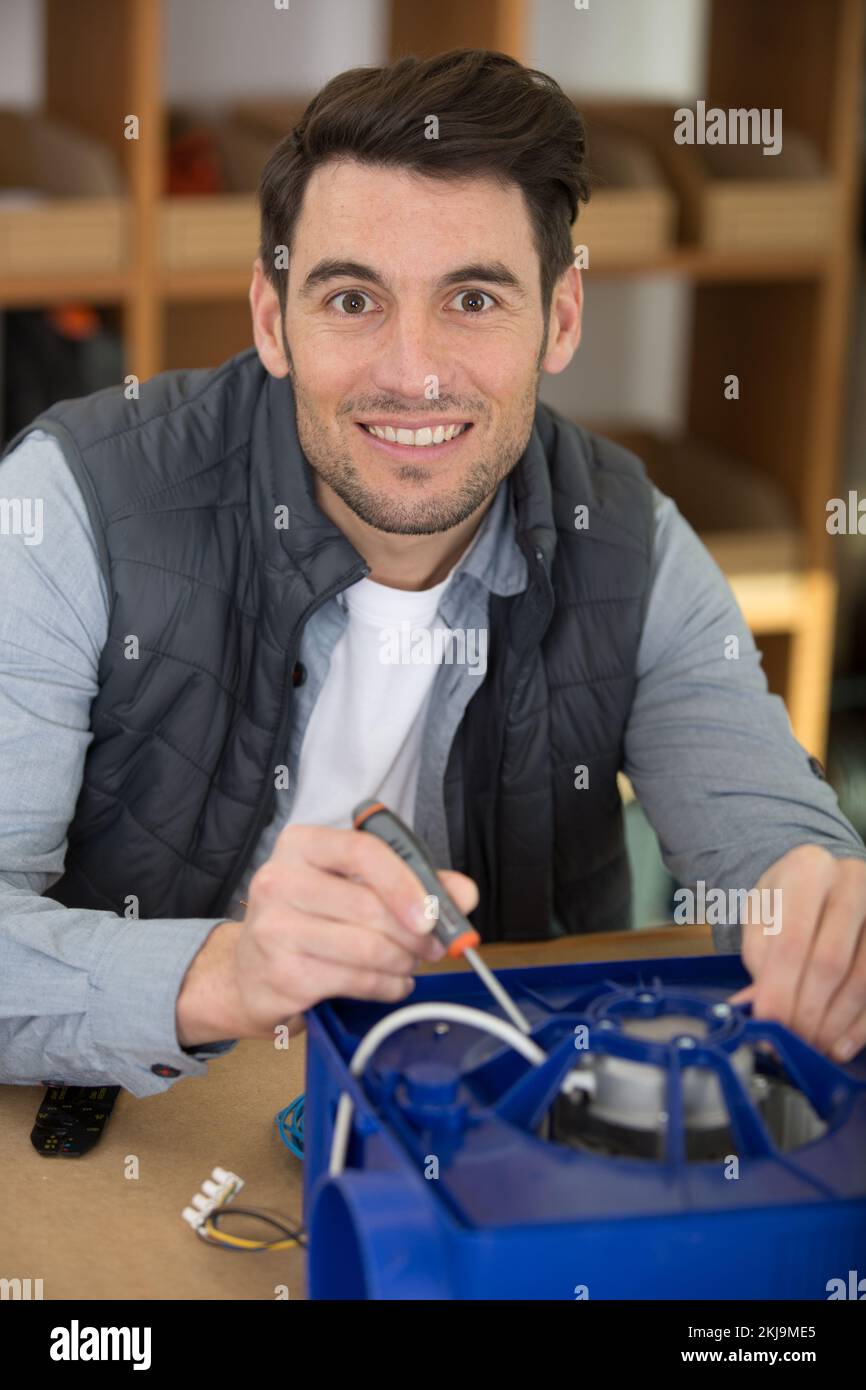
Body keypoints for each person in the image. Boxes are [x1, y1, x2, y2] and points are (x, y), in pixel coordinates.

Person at [1, 50, 864, 1098]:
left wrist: (814, 903)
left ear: (561, 315)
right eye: (353, 298)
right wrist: (228, 970)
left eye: (471, 299)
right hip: (126, 1125)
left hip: (479, 1144)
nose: (412, 371)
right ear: (272, 320)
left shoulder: (631, 541)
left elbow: (770, 845)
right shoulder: (65, 508)